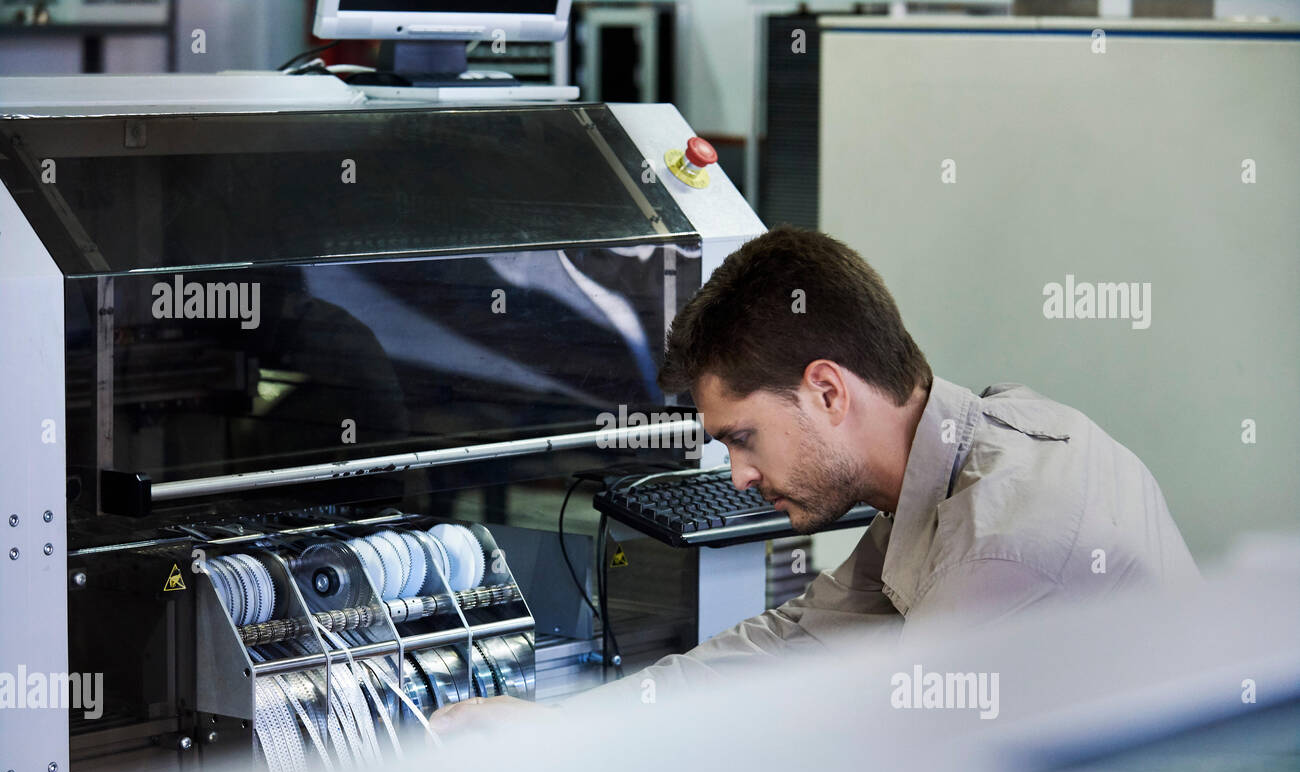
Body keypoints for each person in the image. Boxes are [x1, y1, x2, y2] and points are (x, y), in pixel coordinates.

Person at [432, 225, 1200, 723]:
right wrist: (568, 725)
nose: (736, 475)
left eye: (743, 437)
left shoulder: (997, 550)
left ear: (828, 391)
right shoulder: (968, 450)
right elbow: (795, 638)